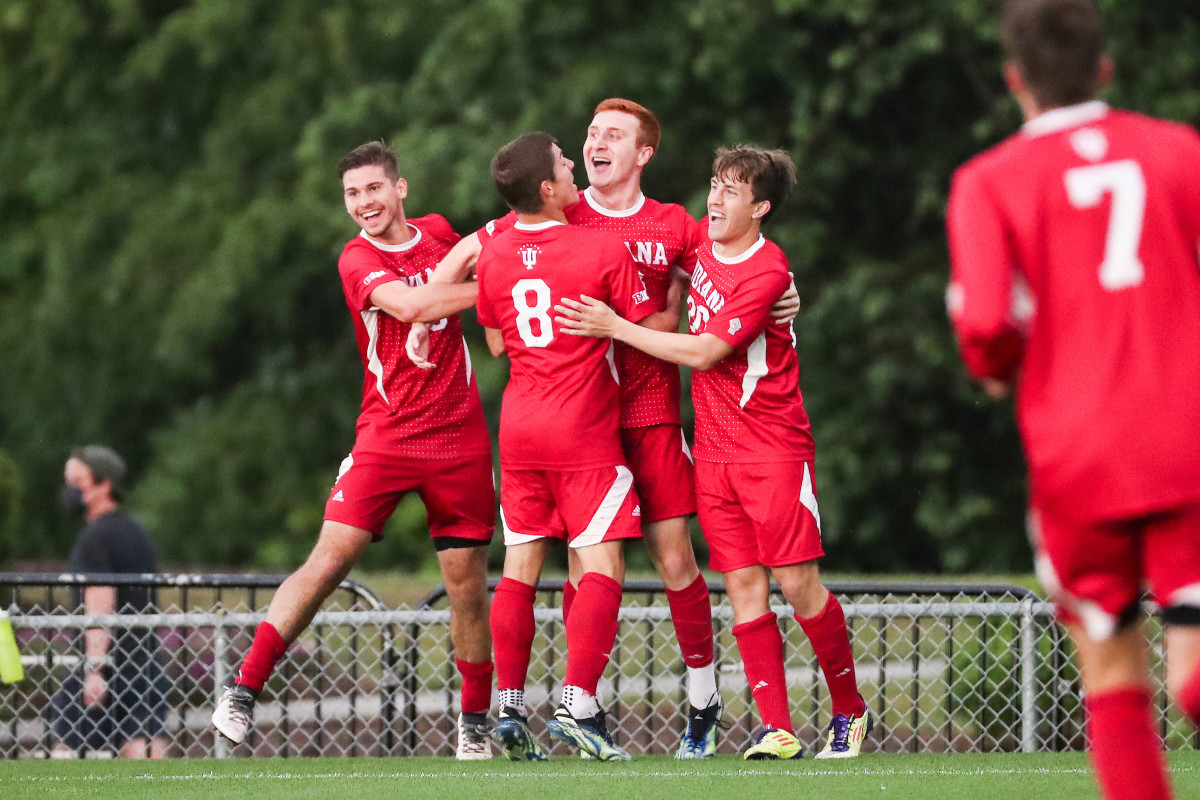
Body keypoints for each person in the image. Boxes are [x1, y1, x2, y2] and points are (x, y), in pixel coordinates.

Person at [414, 99, 798, 757]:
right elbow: (478, 247)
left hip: (642, 415)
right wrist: (426, 310)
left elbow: (742, 254)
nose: (595, 142)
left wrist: (787, 290)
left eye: (612, 134)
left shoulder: (673, 223)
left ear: (642, 153)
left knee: (674, 558)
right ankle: (580, 702)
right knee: (588, 565)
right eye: (590, 132)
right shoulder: (563, 212)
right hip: (582, 421)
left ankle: (702, 699)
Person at [946, 1, 1200, 797]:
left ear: (1014, 79)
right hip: (1187, 434)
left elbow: (987, 323)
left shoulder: (987, 182)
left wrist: (993, 363)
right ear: (1104, 70)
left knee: (1111, 664)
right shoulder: (1179, 153)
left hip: (1078, 453)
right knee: (1190, 663)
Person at [557, 146, 873, 760]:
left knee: (799, 585)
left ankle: (850, 712)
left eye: (732, 191)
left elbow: (704, 352)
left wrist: (615, 327)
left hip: (773, 450)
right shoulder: (701, 242)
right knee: (743, 589)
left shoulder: (766, 273)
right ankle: (778, 728)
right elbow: (636, 241)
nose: (717, 199)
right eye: (714, 185)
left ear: (762, 208)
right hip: (716, 455)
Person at [211, 141, 498, 760]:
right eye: (352, 194)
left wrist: (515, 259)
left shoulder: (441, 233)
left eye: (373, 188)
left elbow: (488, 241)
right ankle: (242, 689)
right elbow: (413, 304)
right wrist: (497, 286)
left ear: (401, 189)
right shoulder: (356, 259)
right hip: (388, 435)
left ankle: (474, 723)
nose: (364, 202)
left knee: (467, 586)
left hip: (460, 440)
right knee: (329, 559)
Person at [476, 131, 655, 762]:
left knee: (520, 569)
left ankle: (510, 707)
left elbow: (498, 343)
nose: (574, 163)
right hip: (581, 430)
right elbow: (640, 329)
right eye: (562, 161)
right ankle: (578, 704)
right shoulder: (599, 247)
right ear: (548, 189)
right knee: (603, 567)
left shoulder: (494, 254)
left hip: (520, 430)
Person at [49, 445, 168, 760]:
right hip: (143, 657)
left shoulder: (95, 538)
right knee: (144, 752)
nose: (70, 490)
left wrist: (94, 668)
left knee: (67, 758)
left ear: (104, 485)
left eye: (78, 481)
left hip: (105, 663)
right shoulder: (136, 532)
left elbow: (100, 599)